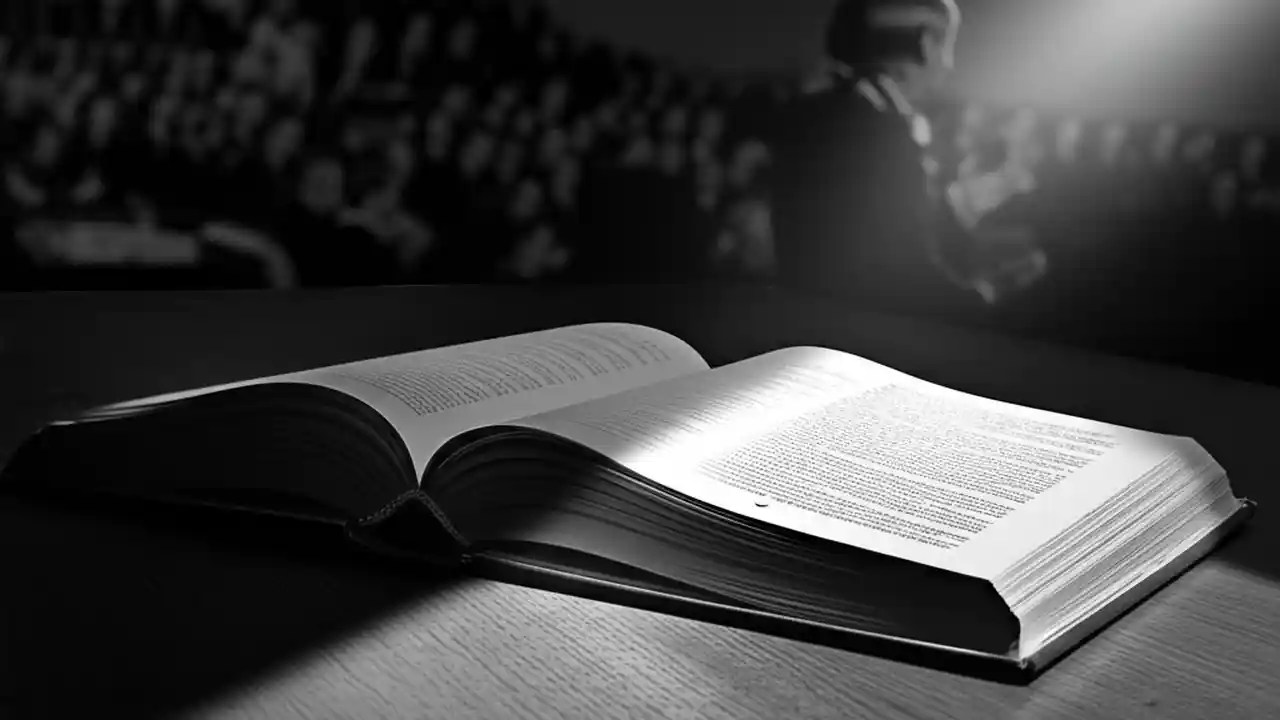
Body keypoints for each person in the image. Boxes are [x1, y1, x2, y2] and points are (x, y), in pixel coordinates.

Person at [770, 0, 990, 320]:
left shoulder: (817, 113)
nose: (949, 65)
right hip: (860, 336)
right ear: (926, 45)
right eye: (946, 46)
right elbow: (903, 273)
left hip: (807, 324)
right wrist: (984, 308)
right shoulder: (884, 132)